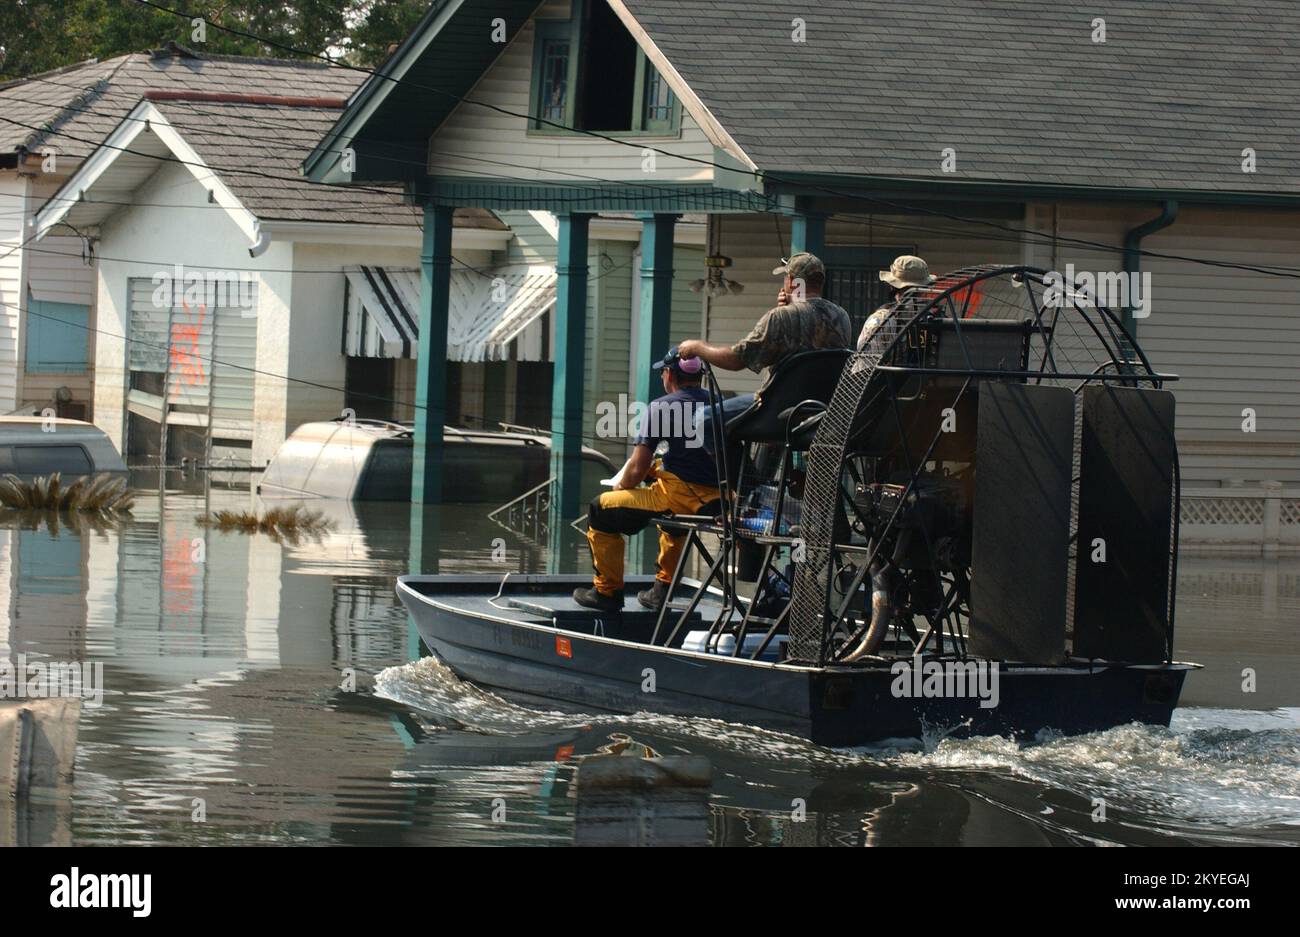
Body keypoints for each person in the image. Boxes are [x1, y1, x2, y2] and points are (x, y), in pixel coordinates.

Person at [573, 348, 721, 613]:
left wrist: (621, 486)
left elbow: (637, 470)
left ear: (669, 374)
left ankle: (607, 592)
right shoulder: (721, 402)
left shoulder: (661, 407)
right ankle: (662, 590)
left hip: (683, 499)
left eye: (662, 372)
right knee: (669, 504)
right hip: (720, 499)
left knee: (600, 508)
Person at [677, 251, 852, 472]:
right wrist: (786, 308)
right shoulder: (842, 317)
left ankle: (746, 489)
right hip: (821, 411)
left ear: (791, 281)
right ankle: (759, 486)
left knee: (704, 420)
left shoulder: (778, 319)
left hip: (778, 412)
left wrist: (697, 347)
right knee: (769, 412)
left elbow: (737, 359)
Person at [857, 254, 937, 352]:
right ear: (925, 289)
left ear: (893, 286)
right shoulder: (939, 320)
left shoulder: (881, 320)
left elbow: (865, 361)